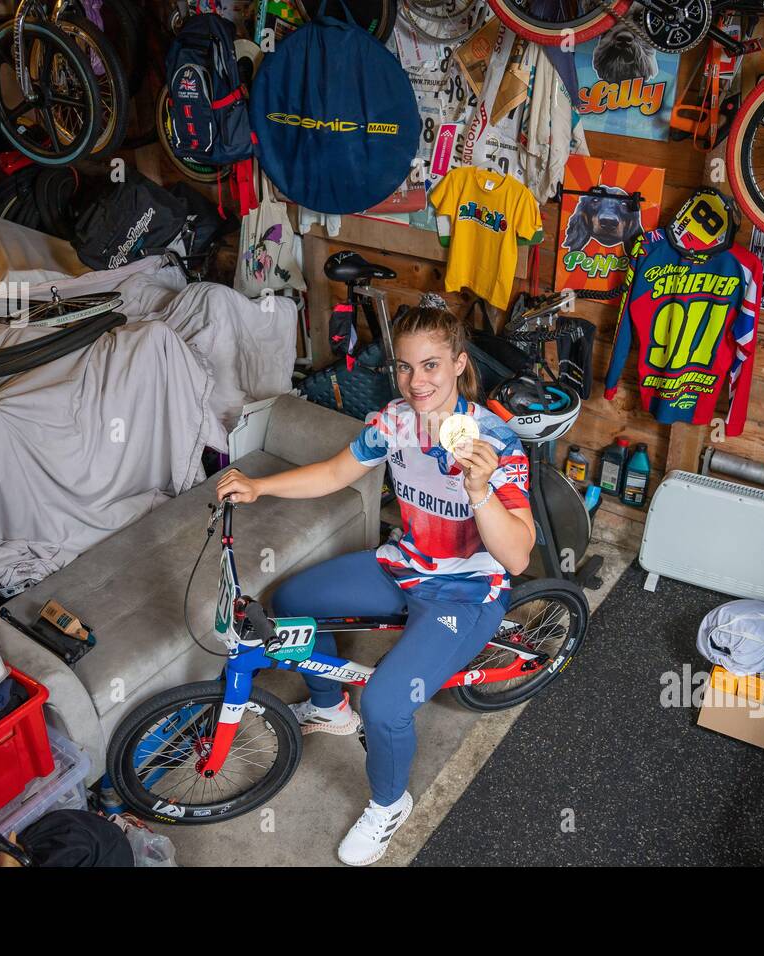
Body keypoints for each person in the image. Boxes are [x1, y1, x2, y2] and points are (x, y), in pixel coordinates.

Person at [215, 298, 535, 866]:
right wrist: (261, 487)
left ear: (460, 364)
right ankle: (331, 706)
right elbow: (338, 472)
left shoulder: (495, 443)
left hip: (467, 590)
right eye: (406, 367)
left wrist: (480, 490)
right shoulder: (394, 421)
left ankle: (390, 803)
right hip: (402, 564)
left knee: (387, 705)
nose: (417, 381)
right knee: (291, 602)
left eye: (431, 365)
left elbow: (515, 556)